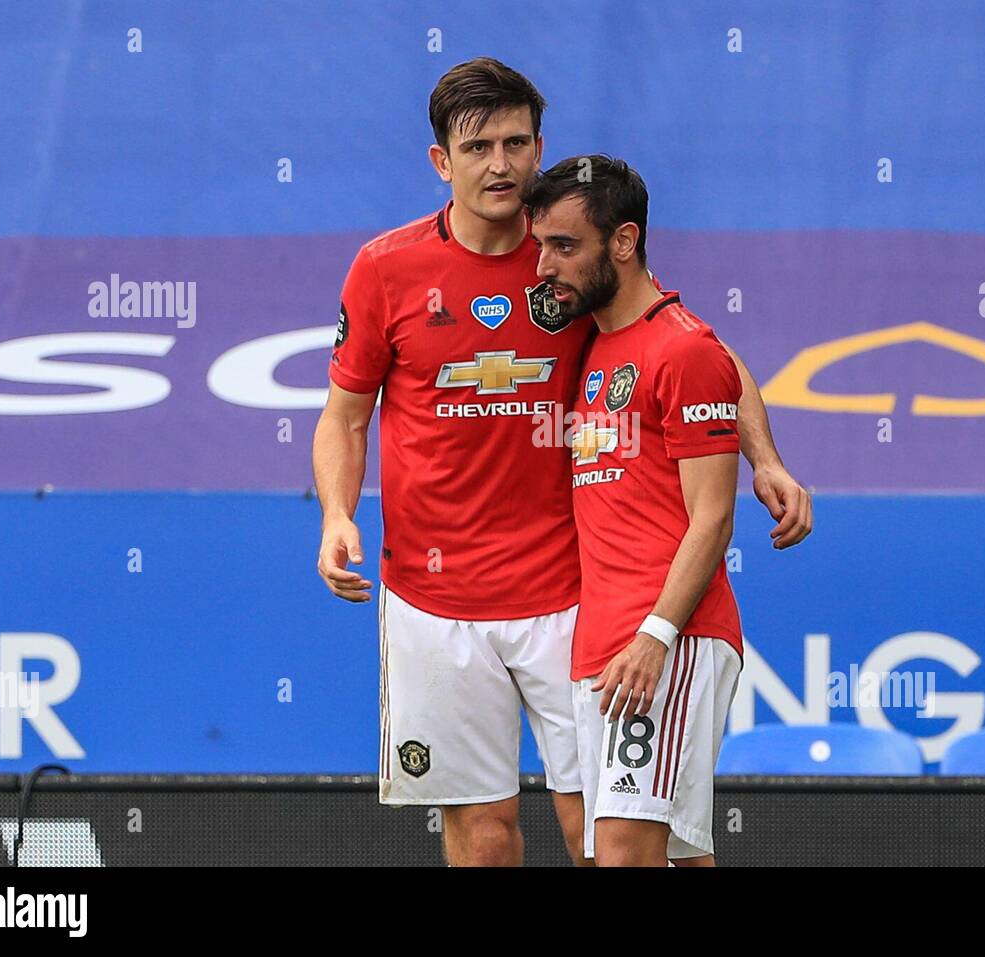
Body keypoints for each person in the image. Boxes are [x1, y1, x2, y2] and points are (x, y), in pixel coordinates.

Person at [312, 59, 810, 867]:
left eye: (516, 142)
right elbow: (344, 415)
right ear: (443, 161)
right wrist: (337, 513)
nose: (500, 164)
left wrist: (765, 460)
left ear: (540, 148)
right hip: (433, 603)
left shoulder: (574, 254)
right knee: (483, 833)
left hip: (570, 597)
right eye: (478, 147)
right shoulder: (384, 268)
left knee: (602, 836)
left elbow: (693, 344)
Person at [526, 155, 746, 866]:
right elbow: (734, 373)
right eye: (540, 246)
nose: (543, 266)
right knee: (673, 856)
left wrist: (656, 634)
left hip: (666, 640)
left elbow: (713, 517)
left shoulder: (683, 348)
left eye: (564, 246)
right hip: (605, 643)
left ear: (623, 242)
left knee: (623, 852)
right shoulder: (593, 342)